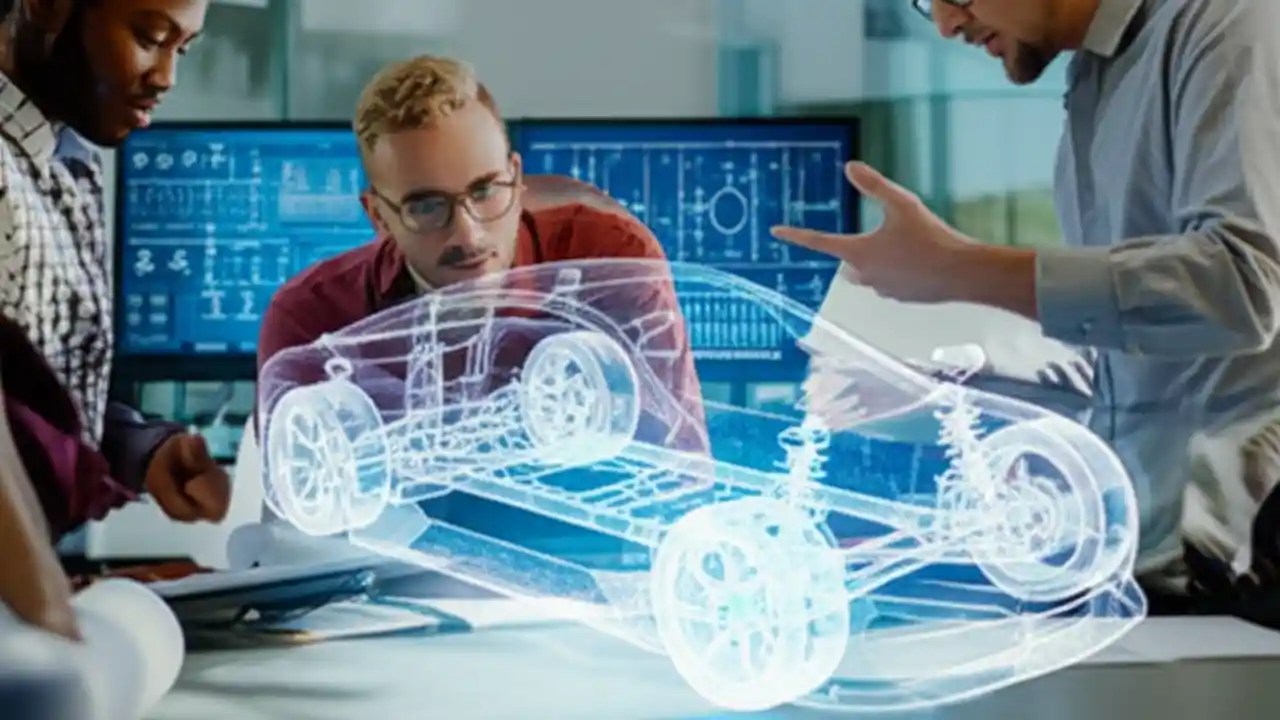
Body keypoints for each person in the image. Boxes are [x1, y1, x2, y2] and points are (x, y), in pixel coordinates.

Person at [773, 0, 1280, 601]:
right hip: (1137, 561)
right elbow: (1134, 362)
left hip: (1242, 577)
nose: (945, 23)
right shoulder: (1097, 76)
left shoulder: (1228, 23)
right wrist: (943, 385)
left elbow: (1244, 287)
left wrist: (958, 269)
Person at [256, 54, 705, 443]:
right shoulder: (311, 319)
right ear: (378, 216)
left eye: (486, 190)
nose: (468, 235)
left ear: (515, 175)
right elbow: (298, 524)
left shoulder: (611, 259)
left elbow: (676, 466)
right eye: (427, 206)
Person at [0, 0, 231, 640]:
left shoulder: (68, 158)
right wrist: (51, 616)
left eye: (181, 49)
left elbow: (36, 391)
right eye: (151, 37)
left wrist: (138, 448)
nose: (166, 77)